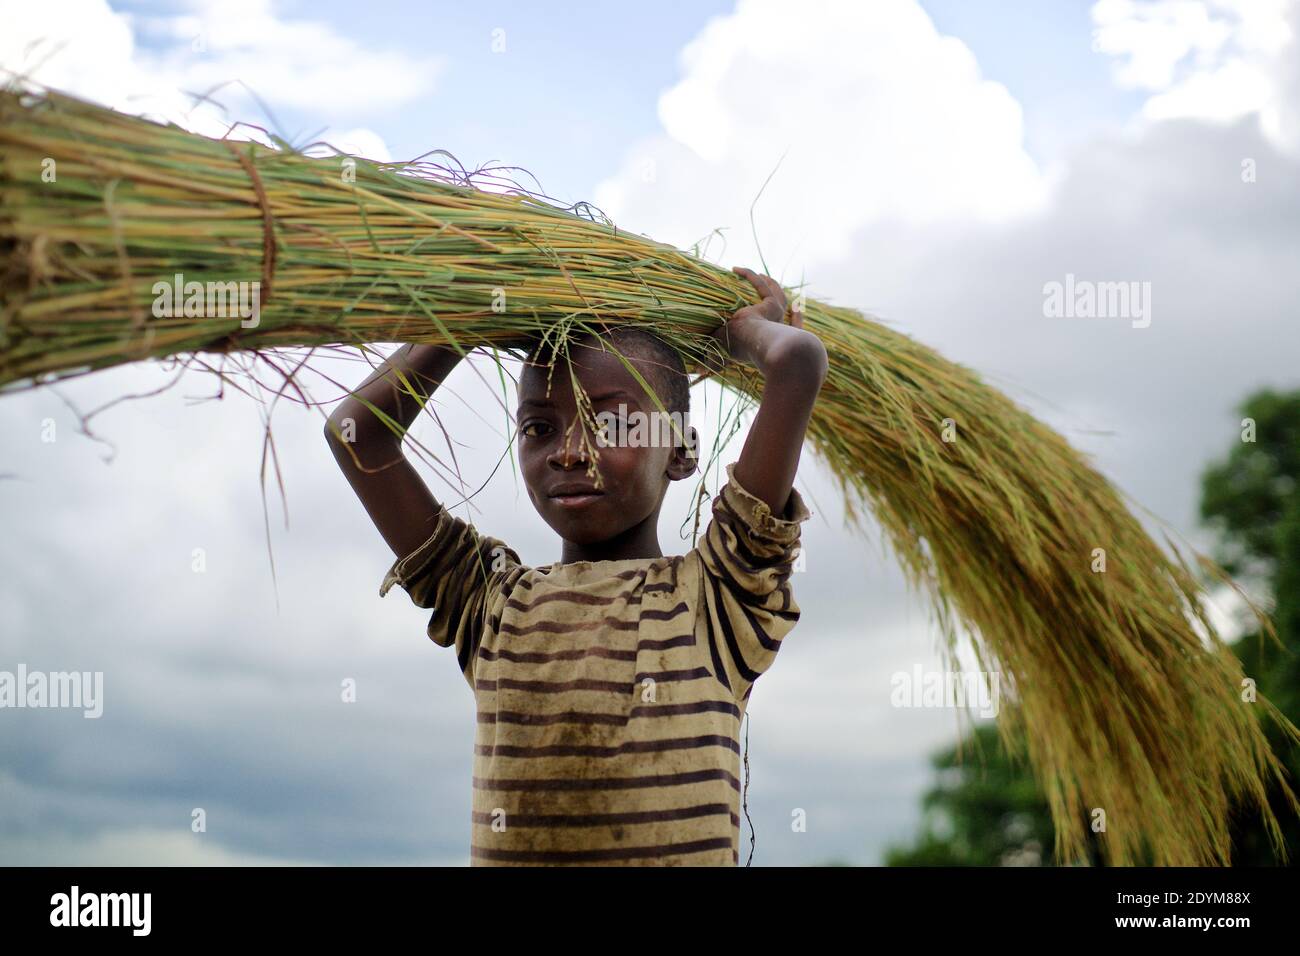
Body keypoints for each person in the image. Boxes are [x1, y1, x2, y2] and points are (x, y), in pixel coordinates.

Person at [325, 266, 828, 865]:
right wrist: (466, 319)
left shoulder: (717, 596)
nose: (567, 450)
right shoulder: (488, 604)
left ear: (682, 450)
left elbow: (797, 362)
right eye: (538, 426)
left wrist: (742, 333)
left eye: (609, 423)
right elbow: (356, 435)